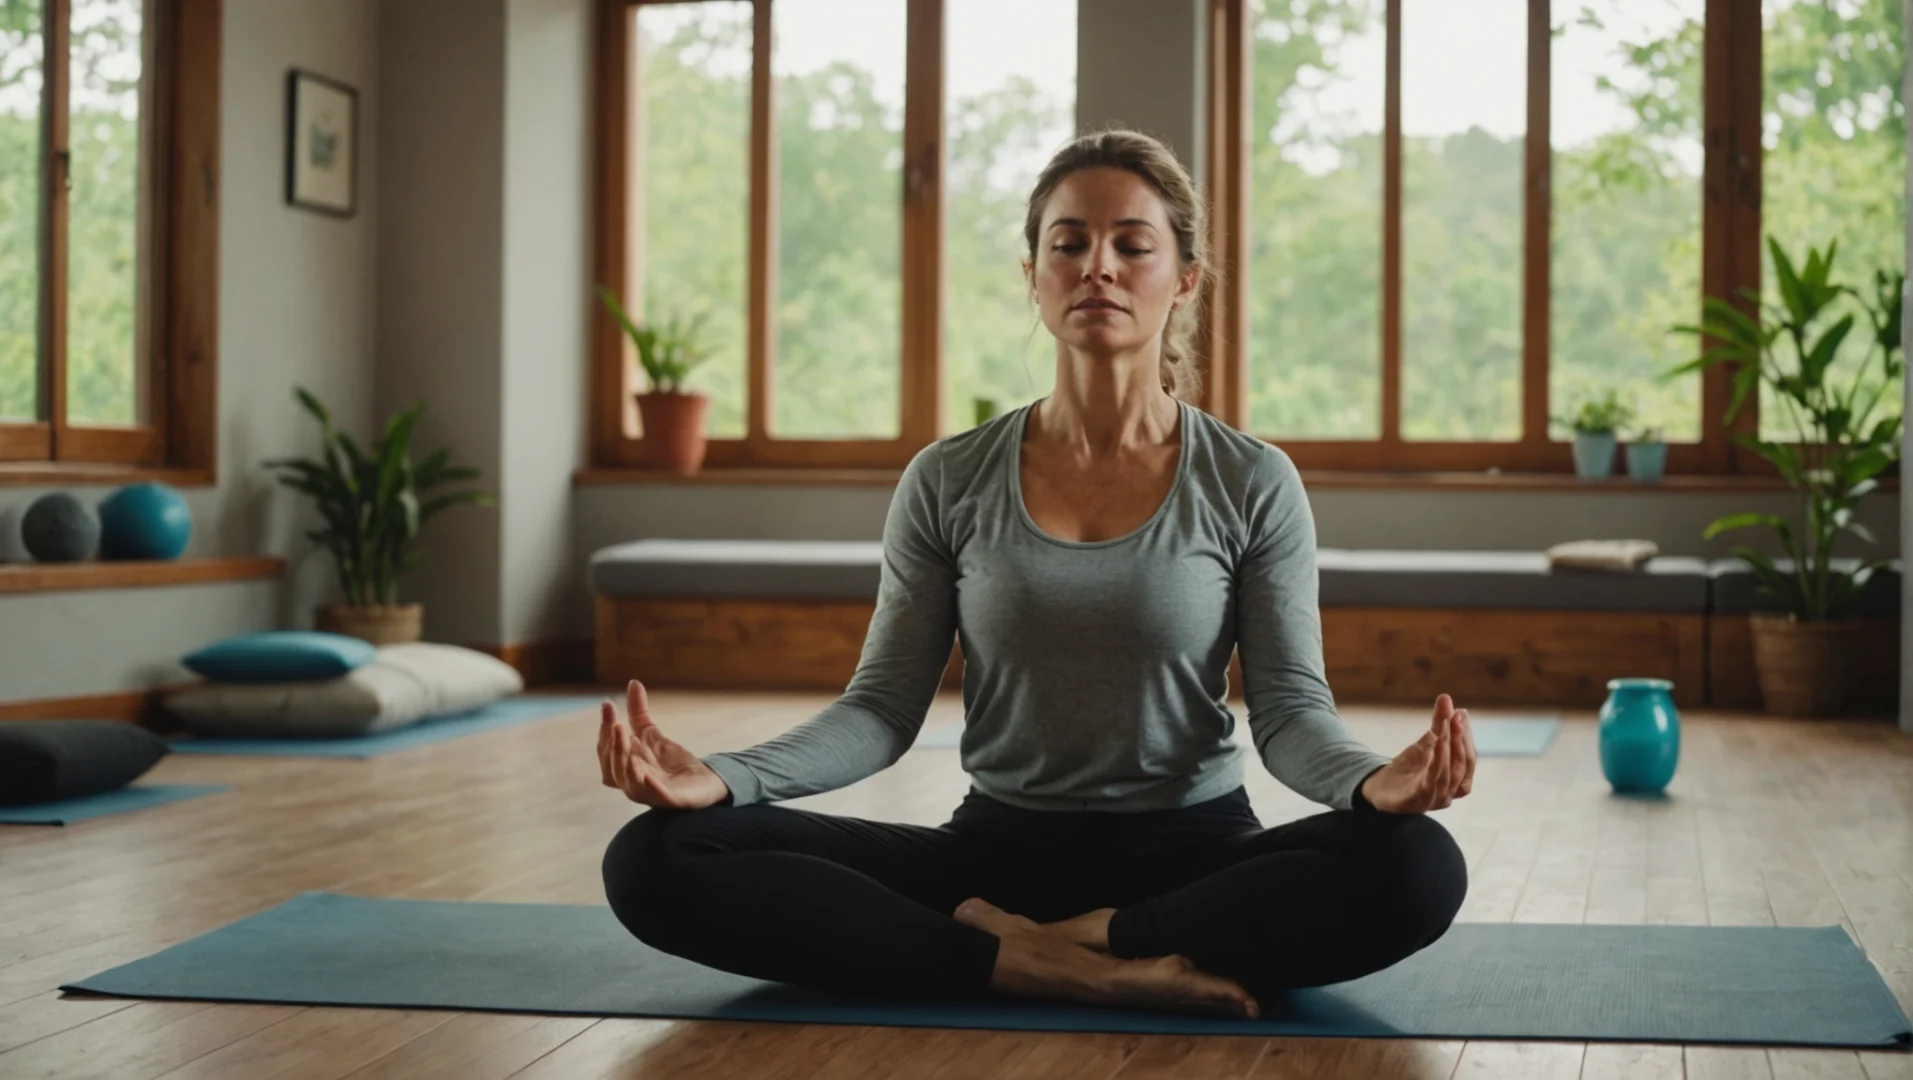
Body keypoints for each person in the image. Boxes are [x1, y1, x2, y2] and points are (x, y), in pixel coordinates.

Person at [598, 129, 1473, 1020]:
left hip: (1192, 863)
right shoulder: (948, 477)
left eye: (1132, 245)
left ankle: (1086, 938)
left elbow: (1287, 713)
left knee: (1416, 864)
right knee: (656, 856)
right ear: (1033, 276)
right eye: (1068, 243)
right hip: (994, 862)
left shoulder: (1250, 479)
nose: (1098, 267)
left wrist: (1370, 782)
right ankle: (1061, 967)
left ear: (1184, 279)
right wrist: (725, 777)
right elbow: (881, 710)